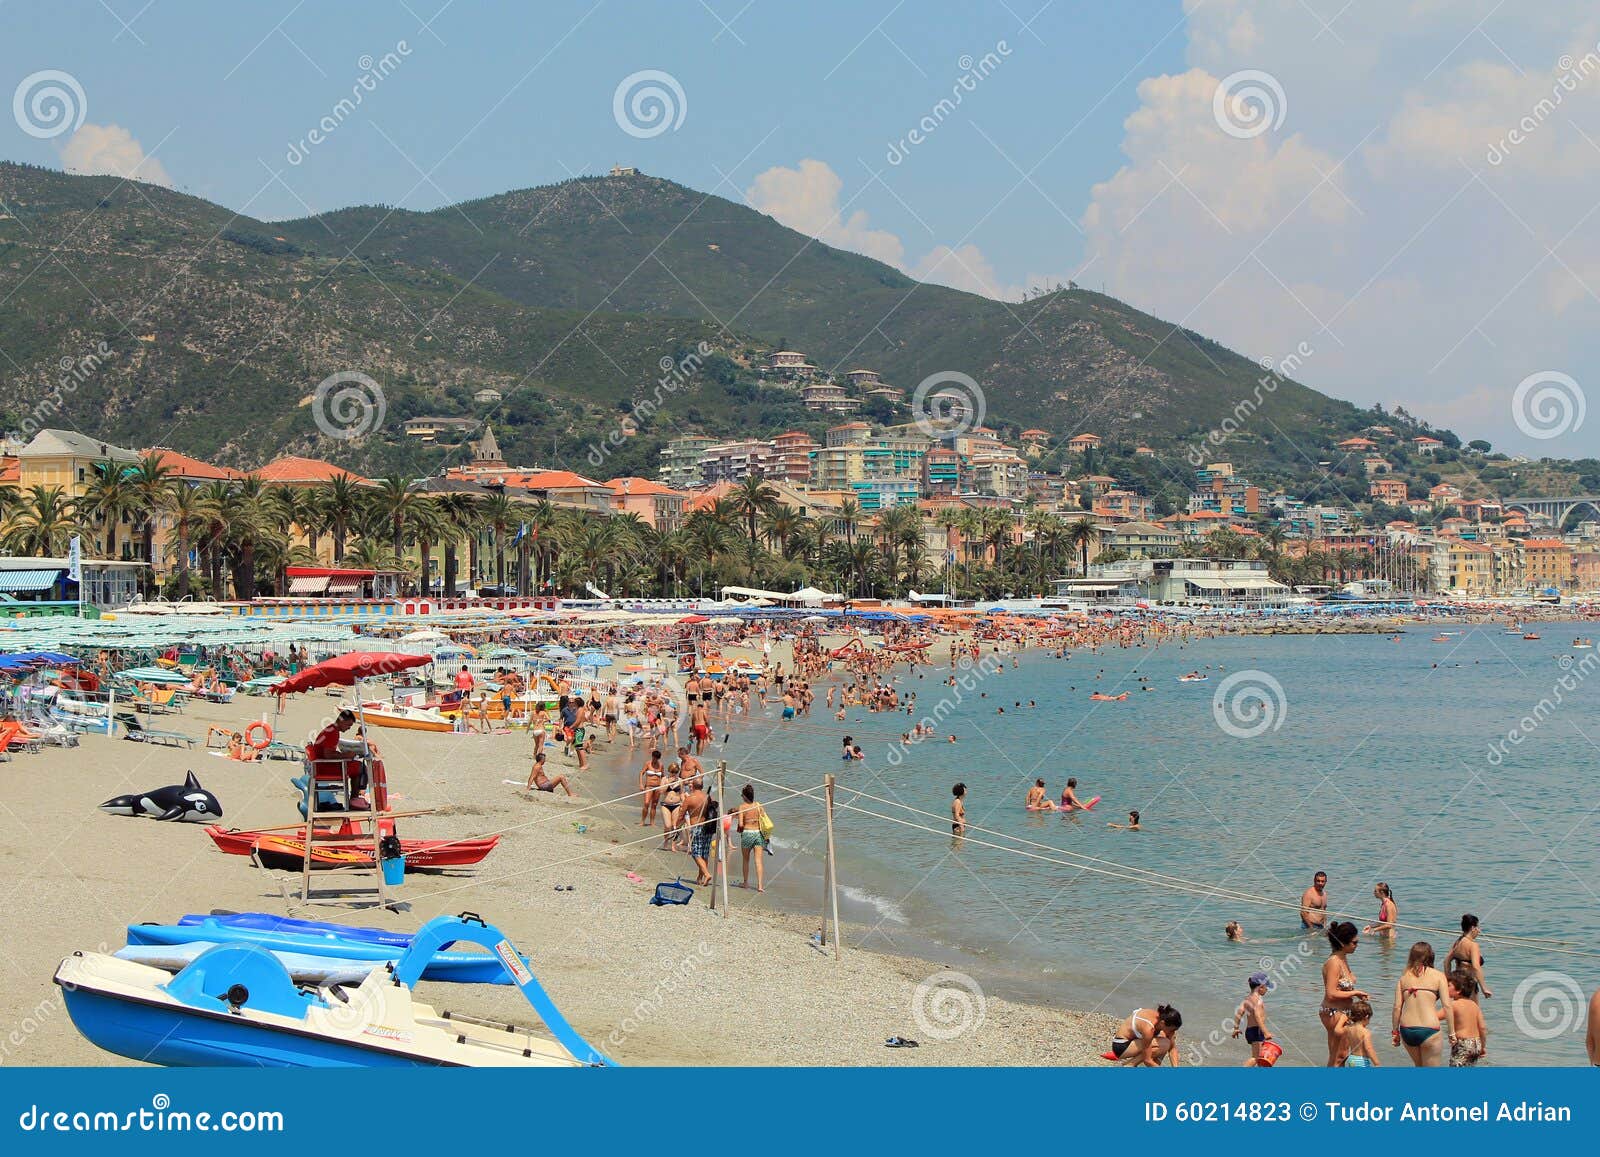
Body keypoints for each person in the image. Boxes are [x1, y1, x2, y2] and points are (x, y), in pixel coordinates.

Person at [1391, 941, 1453, 1067]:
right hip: (1429, 1029)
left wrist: (1395, 1032)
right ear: (1431, 956)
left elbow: (1397, 1008)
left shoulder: (1403, 978)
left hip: (1407, 1030)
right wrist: (1452, 1033)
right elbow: (1447, 1006)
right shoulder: (1439, 976)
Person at [1319, 922, 1369, 1066]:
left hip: (1345, 1012)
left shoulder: (1343, 958)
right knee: (1340, 1056)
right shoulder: (1334, 962)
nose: (1356, 945)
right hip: (1333, 1011)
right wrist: (1356, 992)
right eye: (1354, 942)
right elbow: (1331, 993)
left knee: (1341, 1055)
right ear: (1342, 943)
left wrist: (1356, 996)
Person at [1107, 1006, 1181, 1066]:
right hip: (1121, 1046)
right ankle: (1130, 1065)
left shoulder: (1163, 1018)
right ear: (1163, 1023)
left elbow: (1172, 1048)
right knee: (1164, 1043)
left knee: (1166, 1041)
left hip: (1135, 1042)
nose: (1173, 1033)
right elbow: (1147, 1060)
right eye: (1172, 1030)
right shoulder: (1149, 1028)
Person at [1232, 973, 1274, 1066]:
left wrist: (1236, 1028)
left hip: (1250, 1030)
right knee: (1256, 1057)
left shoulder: (1247, 999)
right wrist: (1266, 1032)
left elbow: (1239, 1013)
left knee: (1260, 1057)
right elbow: (1257, 1017)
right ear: (1261, 987)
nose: (1267, 990)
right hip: (1257, 1031)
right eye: (1267, 987)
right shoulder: (1258, 1000)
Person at [1447, 914, 1493, 998]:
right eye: (1478, 928)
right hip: (1469, 983)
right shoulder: (1473, 945)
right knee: (1473, 1009)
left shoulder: (1458, 942)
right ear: (1472, 928)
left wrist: (1449, 979)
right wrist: (1484, 988)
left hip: (1457, 983)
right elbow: (1476, 967)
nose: (1479, 931)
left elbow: (1446, 961)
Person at [1447, 972, 1487, 1066]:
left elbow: (1436, 1016)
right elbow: (1482, 1028)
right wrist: (1483, 1047)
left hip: (1463, 1044)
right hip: (1476, 1043)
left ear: (1458, 990)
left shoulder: (1454, 1005)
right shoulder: (1474, 1005)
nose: (1445, 988)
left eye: (1448, 985)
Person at [735, 783, 767, 892]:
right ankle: (760, 886)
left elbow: (740, 824)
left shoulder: (742, 807)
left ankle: (745, 883)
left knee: (746, 860)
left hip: (748, 833)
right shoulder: (759, 805)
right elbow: (764, 820)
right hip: (758, 833)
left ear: (745, 796)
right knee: (758, 861)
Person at [1332, 997, 1380, 1068]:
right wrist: (1377, 1063)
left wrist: (1343, 1018)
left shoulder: (1349, 1028)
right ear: (1366, 1017)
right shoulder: (1365, 1032)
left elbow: (1337, 1030)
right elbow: (1369, 1048)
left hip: (1351, 1059)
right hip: (1361, 1061)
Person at [638, 749, 665, 827]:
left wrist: (663, 786)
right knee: (646, 803)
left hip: (657, 787)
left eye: (656, 758)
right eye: (654, 758)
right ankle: (642, 821)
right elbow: (641, 773)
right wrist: (641, 784)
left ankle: (652, 822)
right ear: (652, 756)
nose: (655, 760)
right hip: (649, 786)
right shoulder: (648, 763)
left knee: (654, 804)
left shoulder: (661, 765)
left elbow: (663, 776)